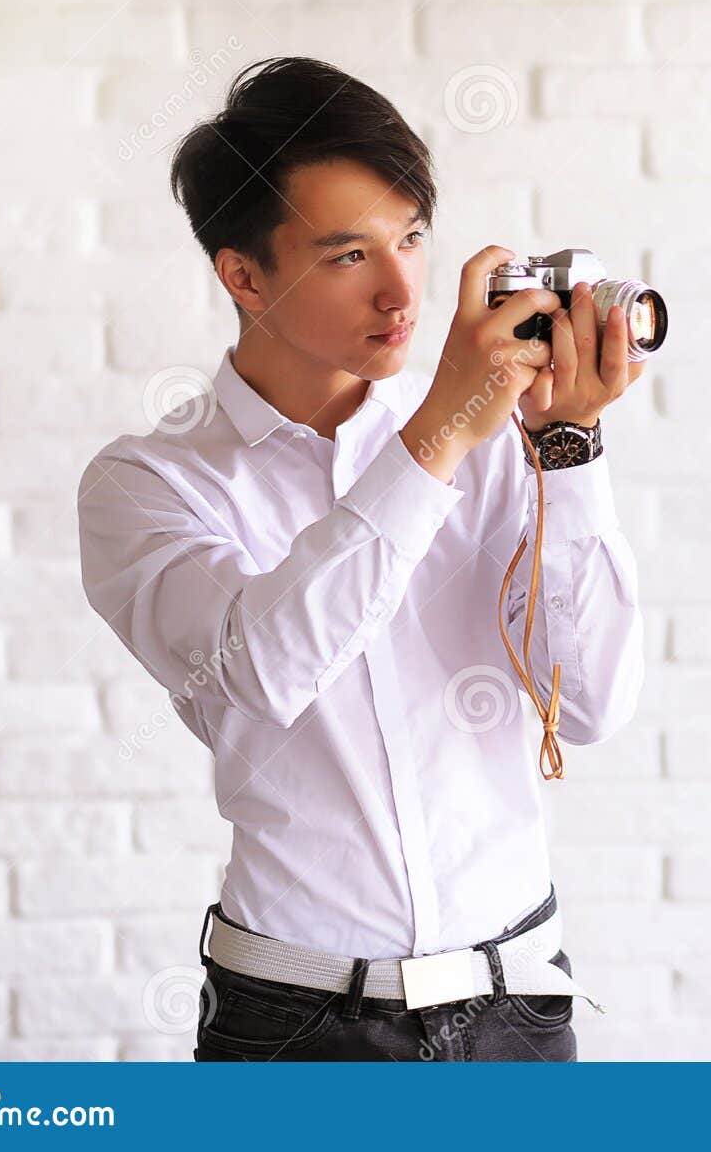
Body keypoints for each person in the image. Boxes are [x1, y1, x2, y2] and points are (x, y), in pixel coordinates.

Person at [76, 56, 645, 1061]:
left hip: (517, 1003)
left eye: (413, 237)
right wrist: (439, 434)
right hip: (297, 1024)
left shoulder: (494, 432)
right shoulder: (150, 484)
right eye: (348, 253)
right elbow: (265, 669)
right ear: (242, 275)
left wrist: (566, 446)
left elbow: (590, 701)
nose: (401, 289)